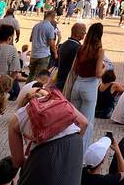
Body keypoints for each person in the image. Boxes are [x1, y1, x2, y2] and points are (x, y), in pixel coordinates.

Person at [10, 82, 87, 185]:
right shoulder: (59, 102)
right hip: (75, 143)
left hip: (45, 152)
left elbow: (18, 161)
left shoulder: (17, 117)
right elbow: (84, 123)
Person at [67, 22, 104, 151]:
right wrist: (105, 69)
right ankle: (82, 153)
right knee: (87, 122)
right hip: (90, 86)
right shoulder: (99, 51)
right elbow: (99, 73)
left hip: (77, 84)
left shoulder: (81, 48)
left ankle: (70, 148)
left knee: (74, 121)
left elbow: (75, 69)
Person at [54, 22, 86, 93]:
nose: (85, 33)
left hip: (60, 80)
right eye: (83, 31)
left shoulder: (63, 45)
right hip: (68, 82)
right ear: (77, 34)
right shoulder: (77, 48)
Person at [28, 11, 59, 78]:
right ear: (53, 17)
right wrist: (55, 53)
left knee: (31, 75)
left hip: (34, 53)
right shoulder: (50, 27)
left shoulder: (36, 25)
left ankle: (27, 88)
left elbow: (31, 39)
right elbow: (52, 43)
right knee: (40, 76)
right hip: (43, 54)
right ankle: (36, 88)